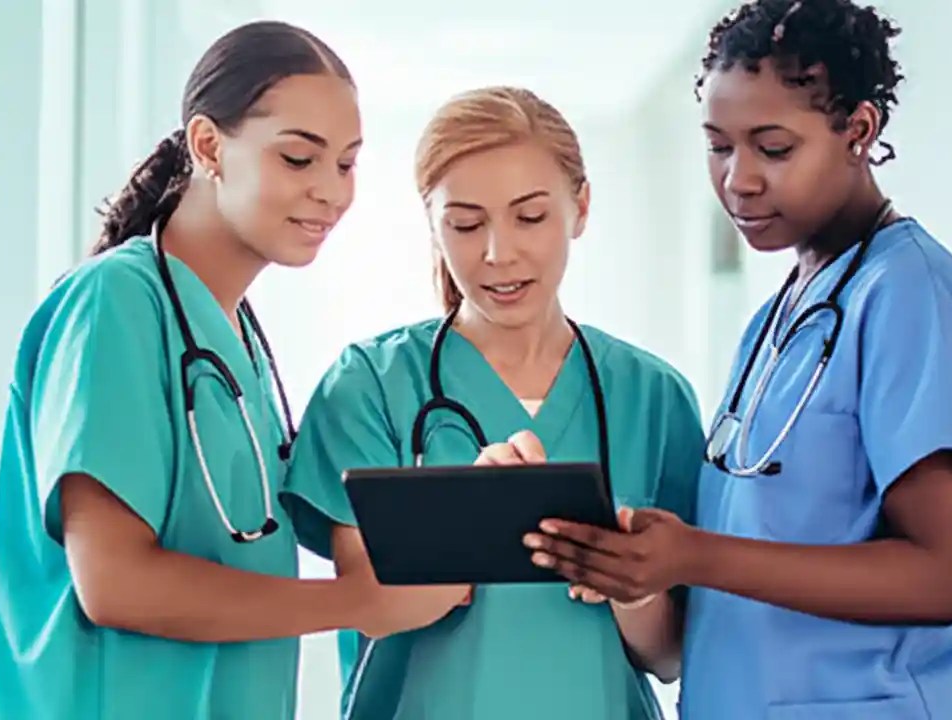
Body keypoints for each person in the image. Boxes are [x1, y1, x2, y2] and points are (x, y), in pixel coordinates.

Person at [524, 1, 952, 718]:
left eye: (773, 148)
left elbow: (939, 575)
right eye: (719, 146)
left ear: (858, 130)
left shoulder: (911, 299)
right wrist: (637, 565)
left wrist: (693, 555)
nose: (739, 180)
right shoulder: (783, 316)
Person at [0, 21, 465, 720]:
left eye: (347, 163)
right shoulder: (114, 302)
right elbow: (114, 583)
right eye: (300, 159)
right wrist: (356, 603)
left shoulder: (237, 339)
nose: (331, 192)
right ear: (209, 145)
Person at [282, 85, 706, 719]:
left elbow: (670, 655)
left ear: (581, 208)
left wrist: (626, 584)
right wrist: (464, 524)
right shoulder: (371, 383)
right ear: (432, 225)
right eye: (465, 224)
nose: (497, 254)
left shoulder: (651, 395)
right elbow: (364, 608)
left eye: (530, 217)